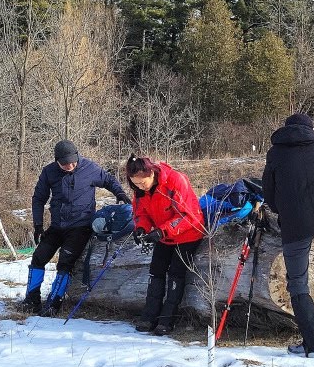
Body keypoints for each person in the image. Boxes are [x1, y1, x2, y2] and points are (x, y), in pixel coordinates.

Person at [261, 112, 314, 358]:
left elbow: (269, 192)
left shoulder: (275, 153)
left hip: (295, 225)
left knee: (297, 283)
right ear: (311, 129)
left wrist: (280, 211)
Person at [21, 140, 131, 316]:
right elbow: (38, 199)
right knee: (38, 258)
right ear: (57, 161)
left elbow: (109, 180)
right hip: (57, 226)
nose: (70, 166)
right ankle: (31, 300)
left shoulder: (89, 168)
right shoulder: (49, 172)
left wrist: (120, 193)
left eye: (73, 162)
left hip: (81, 226)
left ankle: (54, 302)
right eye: (65, 164)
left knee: (65, 261)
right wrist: (38, 226)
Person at [124, 154, 206, 335]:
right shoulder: (140, 192)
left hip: (188, 233)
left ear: (151, 173)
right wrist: (141, 229)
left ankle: (167, 319)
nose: (140, 187)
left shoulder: (175, 180)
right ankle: (149, 315)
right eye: (135, 184)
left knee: (176, 272)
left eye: (142, 182)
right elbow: (141, 214)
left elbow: (189, 216)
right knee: (156, 270)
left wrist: (162, 231)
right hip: (163, 235)